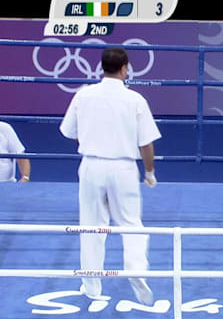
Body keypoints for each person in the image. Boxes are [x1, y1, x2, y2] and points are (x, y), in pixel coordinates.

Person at [59, 47, 161, 305]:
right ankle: (136, 270)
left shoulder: (83, 95)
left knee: (91, 227)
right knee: (131, 224)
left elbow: (69, 132)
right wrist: (149, 172)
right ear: (125, 68)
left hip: (91, 166)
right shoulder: (135, 99)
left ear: (101, 67)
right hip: (123, 168)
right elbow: (146, 143)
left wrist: (91, 139)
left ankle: (91, 287)